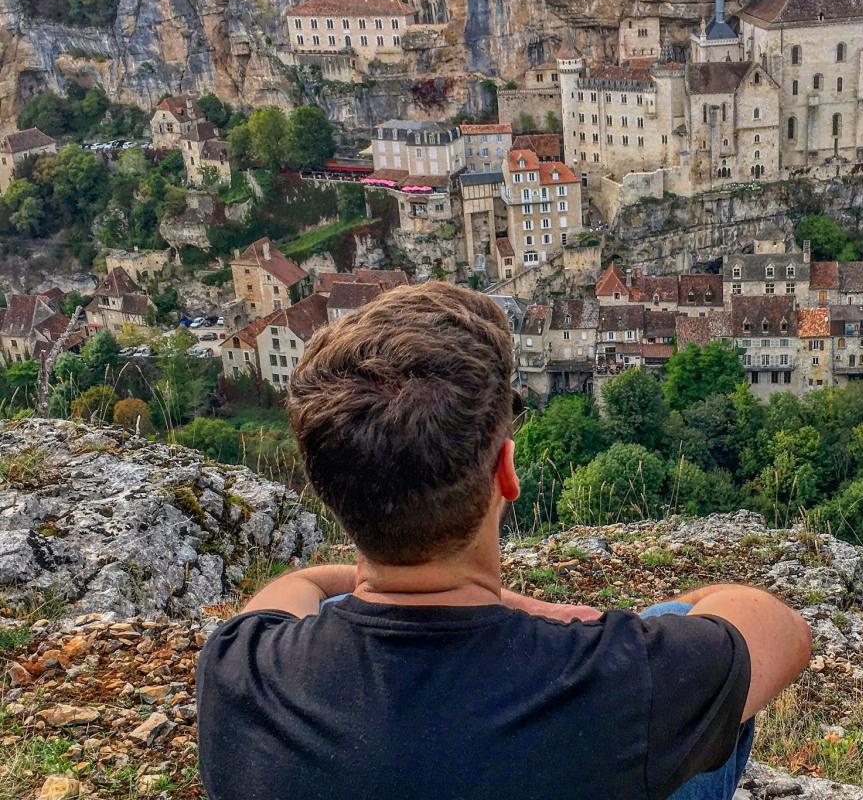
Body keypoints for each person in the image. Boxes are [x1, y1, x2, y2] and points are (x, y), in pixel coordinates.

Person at [196, 282, 811, 800]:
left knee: (333, 611)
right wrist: (546, 611)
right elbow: (776, 628)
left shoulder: (237, 673)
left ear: (327, 488)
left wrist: (413, 585)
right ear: (506, 473)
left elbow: (297, 587)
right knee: (682, 630)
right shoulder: (611, 684)